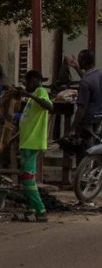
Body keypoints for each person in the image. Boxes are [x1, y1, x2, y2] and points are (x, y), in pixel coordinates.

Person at [15, 70, 52, 222]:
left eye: (27, 82)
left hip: (32, 142)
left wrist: (29, 95)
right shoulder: (33, 97)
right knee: (26, 177)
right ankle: (30, 209)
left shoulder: (40, 91)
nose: (26, 85)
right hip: (26, 141)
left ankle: (40, 210)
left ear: (35, 80)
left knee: (27, 177)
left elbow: (49, 106)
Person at [66, 49, 102, 143]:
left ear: (84, 61)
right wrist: (77, 68)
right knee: (93, 143)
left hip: (87, 119)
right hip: (99, 116)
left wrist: (73, 128)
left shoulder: (85, 82)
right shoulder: (100, 74)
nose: (78, 61)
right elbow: (89, 80)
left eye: (79, 59)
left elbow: (81, 108)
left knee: (85, 146)